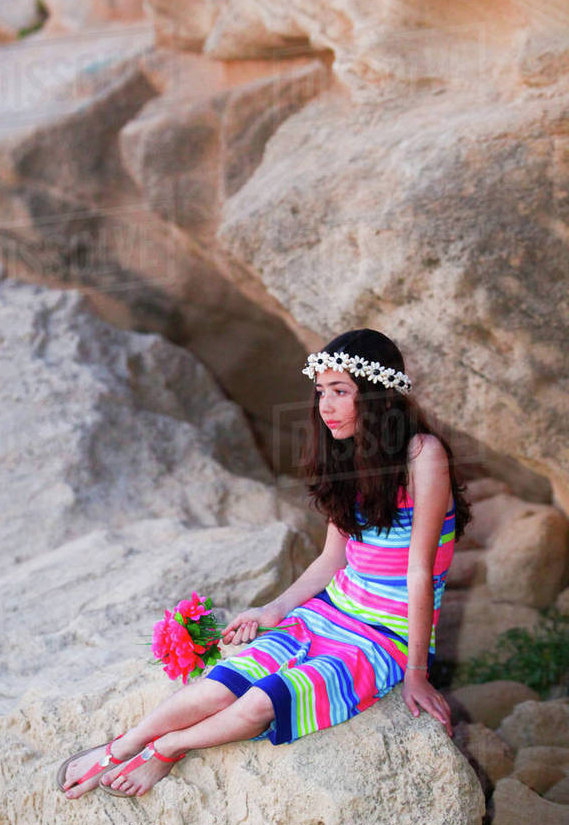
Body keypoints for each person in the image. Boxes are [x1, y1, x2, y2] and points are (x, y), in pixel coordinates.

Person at [57, 328, 471, 800]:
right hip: (329, 612)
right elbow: (333, 558)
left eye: (341, 392)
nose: (326, 407)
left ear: (377, 396)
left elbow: (419, 571)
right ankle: (121, 746)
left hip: (383, 635)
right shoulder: (347, 455)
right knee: (220, 689)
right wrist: (274, 609)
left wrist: (416, 671)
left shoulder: (423, 455)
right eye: (321, 392)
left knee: (260, 704)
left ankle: (169, 748)